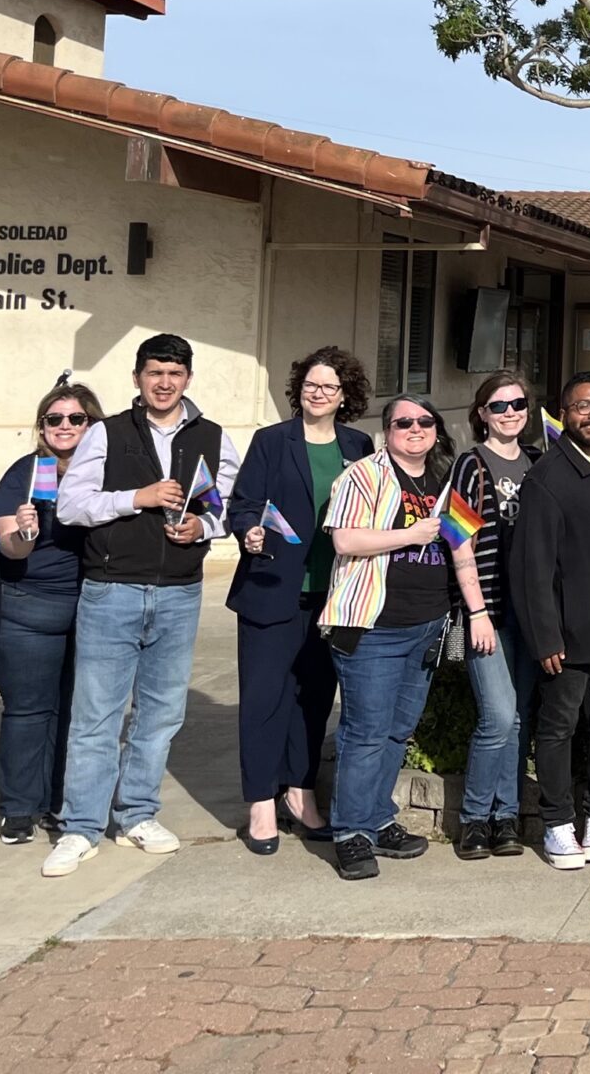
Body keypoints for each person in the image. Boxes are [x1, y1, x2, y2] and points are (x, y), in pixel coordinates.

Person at [44, 334, 239, 878]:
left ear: (188, 380)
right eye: (154, 372)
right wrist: (139, 498)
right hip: (111, 589)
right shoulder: (107, 433)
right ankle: (80, 827)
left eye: (174, 374)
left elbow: (226, 506)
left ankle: (136, 815)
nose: (164, 382)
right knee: (96, 716)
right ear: (137, 378)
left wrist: (206, 524)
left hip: (179, 591)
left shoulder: (213, 437)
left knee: (160, 714)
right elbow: (72, 506)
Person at [311, 394, 469, 878]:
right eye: (404, 422)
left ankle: (378, 819)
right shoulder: (362, 475)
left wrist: (472, 610)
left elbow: (461, 544)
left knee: (398, 730)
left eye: (425, 421)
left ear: (437, 430)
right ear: (387, 431)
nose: (415, 429)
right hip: (373, 626)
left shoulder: (444, 479)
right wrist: (410, 535)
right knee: (365, 732)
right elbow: (344, 539)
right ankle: (351, 833)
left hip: (426, 624)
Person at [224, 347, 372, 855]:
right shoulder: (271, 441)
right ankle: (261, 800)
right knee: (265, 699)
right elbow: (242, 504)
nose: (319, 393)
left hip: (334, 594)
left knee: (314, 698)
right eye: (311, 384)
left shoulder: (360, 444)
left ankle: (300, 791)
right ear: (298, 389)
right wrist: (249, 532)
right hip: (272, 589)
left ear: (345, 395)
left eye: (330, 387)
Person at [510, 372, 590, 870]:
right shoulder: (548, 479)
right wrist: (545, 635)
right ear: (565, 414)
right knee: (558, 727)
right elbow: (532, 568)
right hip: (565, 636)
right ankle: (558, 821)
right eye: (583, 407)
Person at [0, 378, 100, 845]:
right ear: (42, 426)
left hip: (95, 607)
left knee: (78, 714)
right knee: (30, 711)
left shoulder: (105, 471)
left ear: (93, 424)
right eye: (55, 419)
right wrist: (26, 532)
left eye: (77, 418)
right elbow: (9, 547)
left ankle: (59, 803)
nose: (65, 426)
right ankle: (18, 808)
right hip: (29, 607)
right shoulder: (27, 473)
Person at [450, 369, 544, 860]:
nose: (511, 413)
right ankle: (473, 819)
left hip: (530, 614)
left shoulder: (537, 462)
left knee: (518, 719)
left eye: (518, 404)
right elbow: (457, 539)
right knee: (497, 716)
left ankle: (505, 816)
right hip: (489, 610)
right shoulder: (472, 464)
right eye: (499, 405)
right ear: (482, 414)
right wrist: (477, 611)